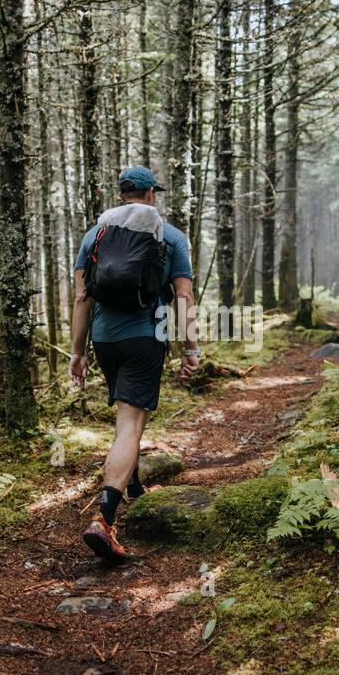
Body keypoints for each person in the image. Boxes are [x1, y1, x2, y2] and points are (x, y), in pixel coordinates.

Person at [69, 166, 199, 559]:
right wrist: (190, 347)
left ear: (123, 193)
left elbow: (81, 298)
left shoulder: (96, 235)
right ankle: (104, 519)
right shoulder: (171, 235)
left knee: (127, 414)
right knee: (130, 421)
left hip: (104, 339)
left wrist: (77, 352)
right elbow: (183, 298)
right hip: (145, 336)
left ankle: (135, 486)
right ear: (151, 194)